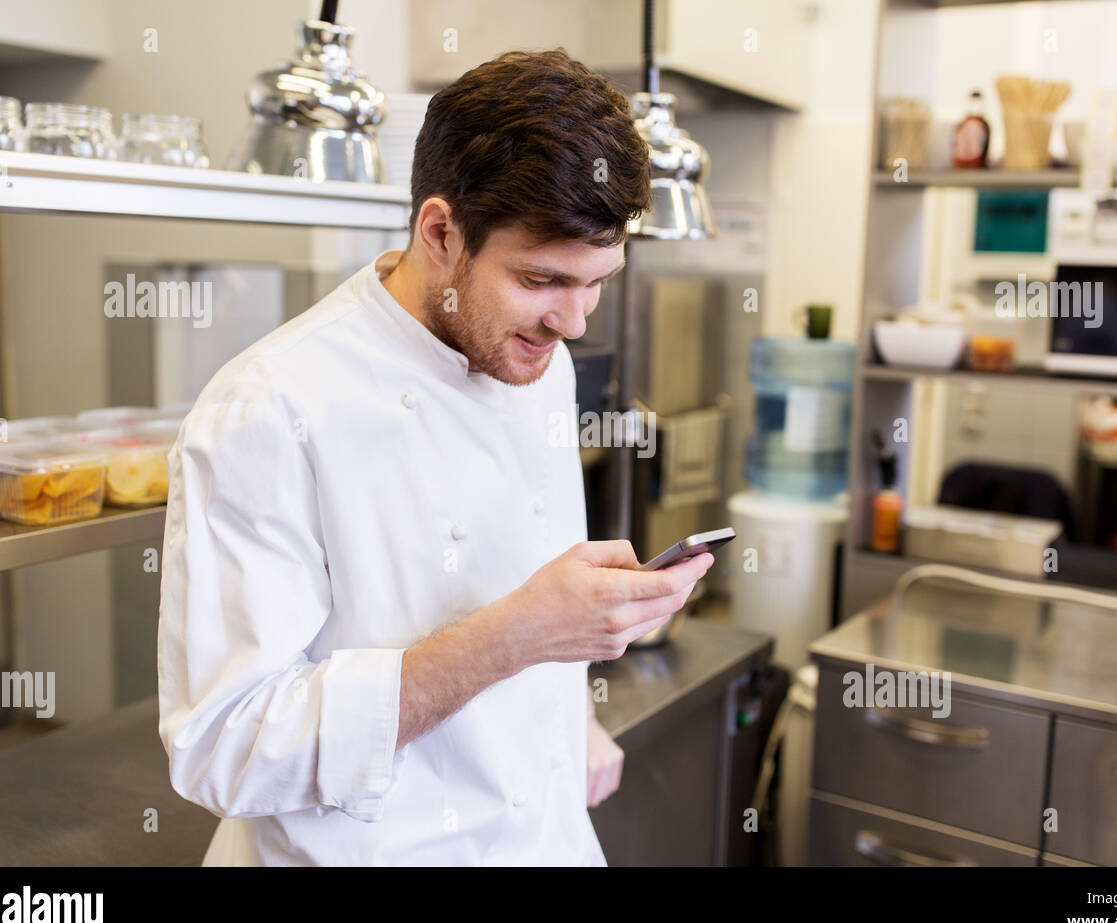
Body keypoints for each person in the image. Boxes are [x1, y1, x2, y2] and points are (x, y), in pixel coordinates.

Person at [156, 48, 713, 865]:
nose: (576, 323)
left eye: (598, 282)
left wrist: (571, 709)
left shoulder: (538, 361)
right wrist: (516, 637)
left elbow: (519, 583)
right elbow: (223, 746)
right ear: (441, 232)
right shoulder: (269, 407)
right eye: (541, 280)